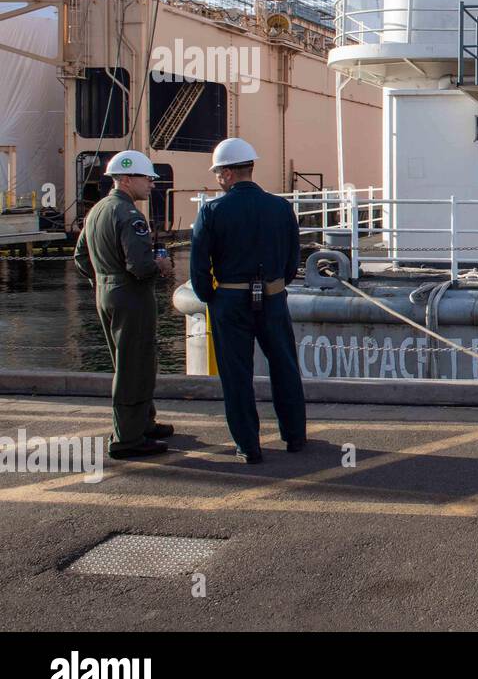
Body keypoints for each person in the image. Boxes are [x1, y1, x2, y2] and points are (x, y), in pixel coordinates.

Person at [189, 138, 306, 464]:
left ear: (227, 173)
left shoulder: (212, 211)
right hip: (273, 297)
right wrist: (276, 285)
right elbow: (292, 261)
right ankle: (295, 436)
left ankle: (248, 445)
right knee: (284, 367)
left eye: (217, 173)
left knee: (236, 374)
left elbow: (199, 267)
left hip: (230, 299)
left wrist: (211, 297)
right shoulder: (281, 208)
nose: (217, 179)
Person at [73, 150, 175, 459]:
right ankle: (127, 438)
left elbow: (80, 257)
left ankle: (142, 422)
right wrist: (162, 265)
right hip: (132, 297)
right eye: (148, 179)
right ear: (128, 179)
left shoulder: (97, 211)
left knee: (127, 361)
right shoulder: (130, 215)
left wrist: (103, 280)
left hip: (107, 292)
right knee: (135, 366)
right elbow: (140, 267)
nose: (152, 185)